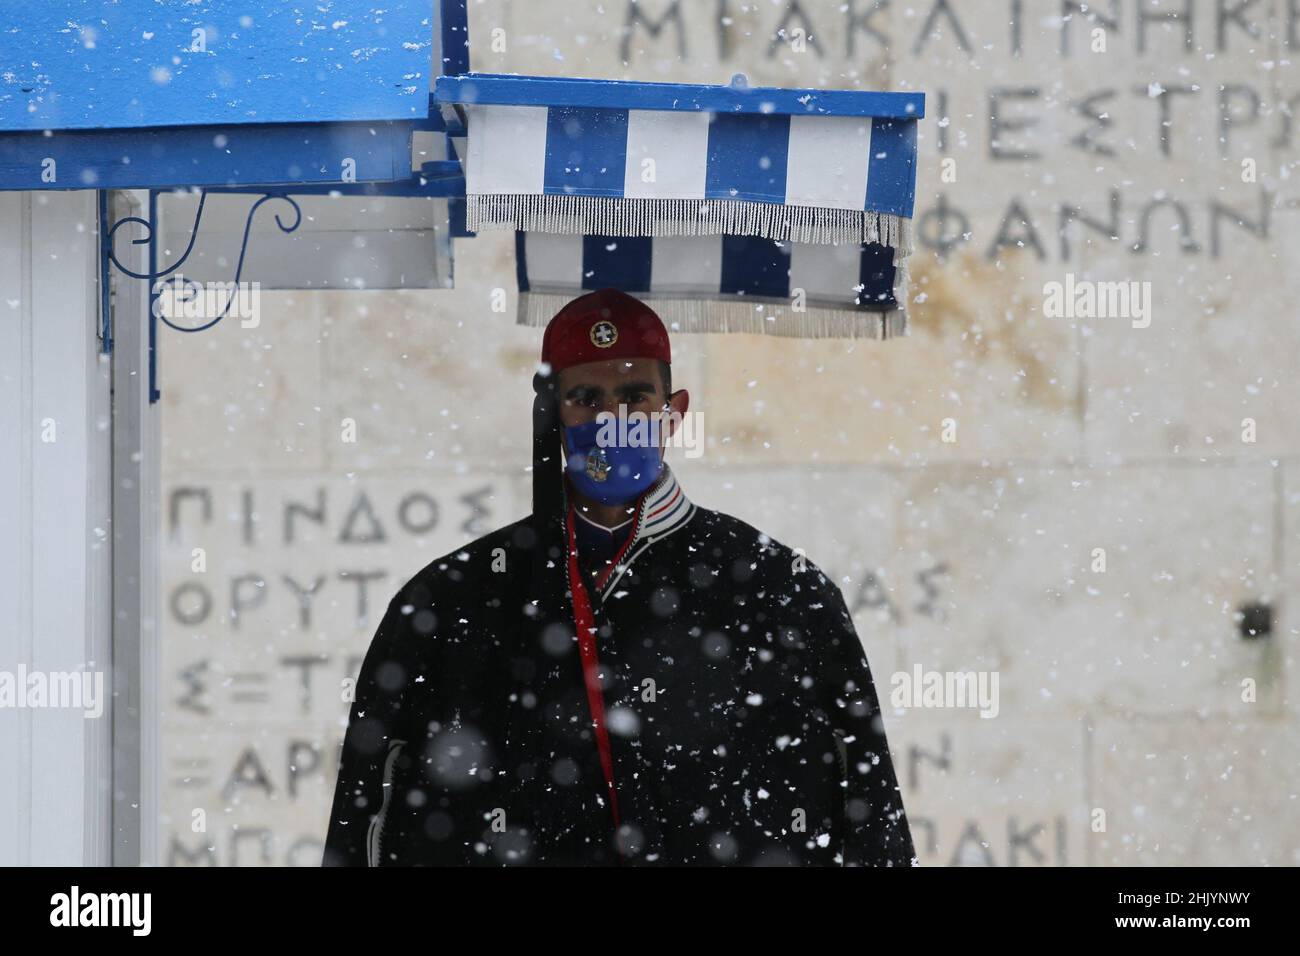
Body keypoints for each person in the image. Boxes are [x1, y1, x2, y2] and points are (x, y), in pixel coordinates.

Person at [323, 288, 915, 866]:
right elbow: (369, 813)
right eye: (586, 397)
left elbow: (868, 804)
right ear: (552, 414)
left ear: (674, 412)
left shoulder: (777, 588)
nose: (612, 419)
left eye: (635, 396)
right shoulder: (455, 598)